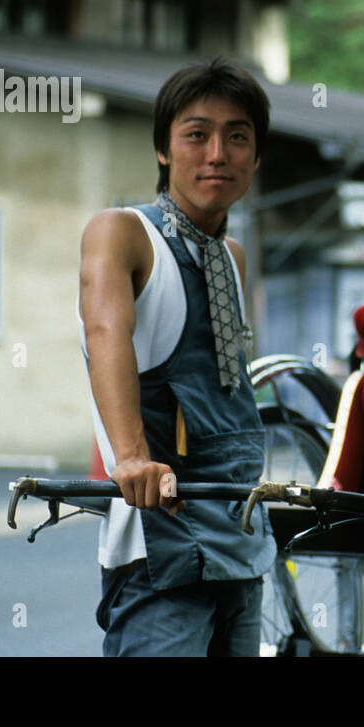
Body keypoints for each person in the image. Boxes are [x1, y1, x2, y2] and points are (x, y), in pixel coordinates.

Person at [77, 58, 275, 656]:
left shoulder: (232, 257)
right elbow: (104, 330)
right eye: (196, 134)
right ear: (164, 149)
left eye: (237, 136)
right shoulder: (122, 232)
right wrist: (132, 457)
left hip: (238, 536)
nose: (217, 153)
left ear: (256, 155)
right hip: (159, 540)